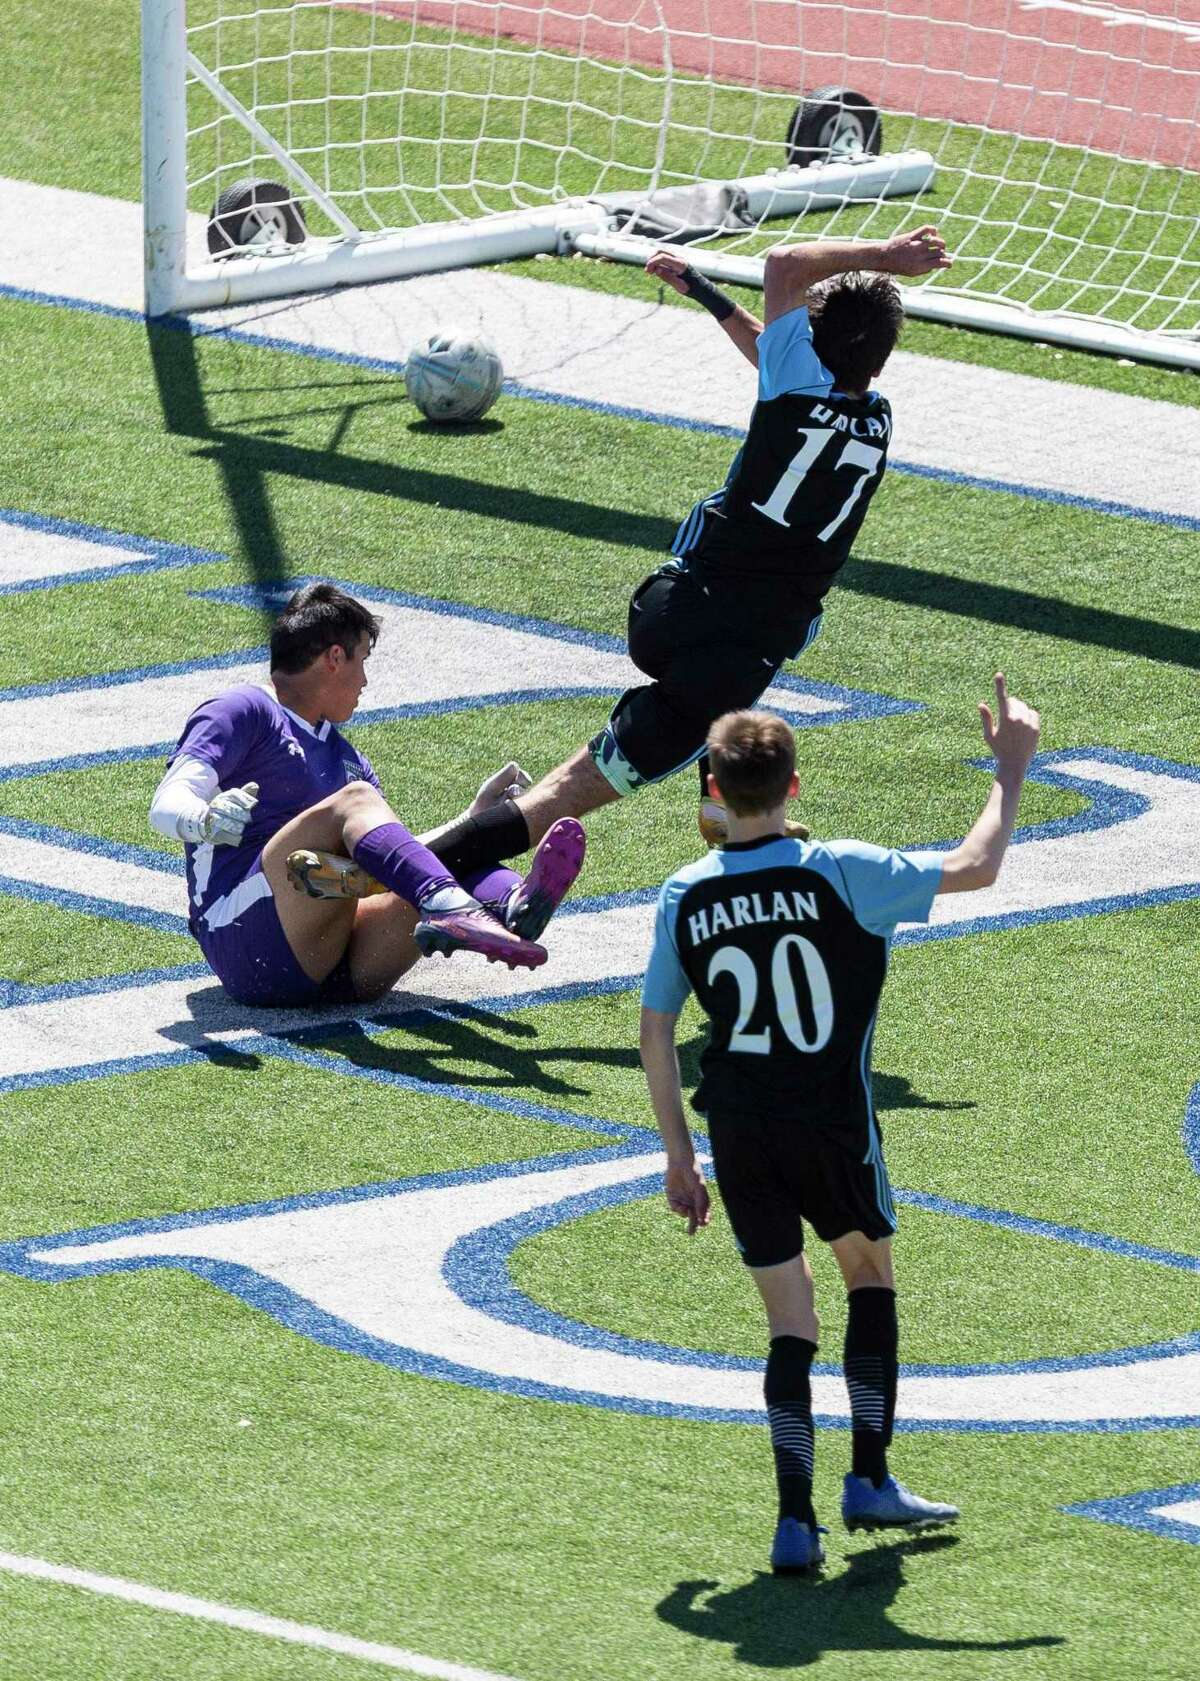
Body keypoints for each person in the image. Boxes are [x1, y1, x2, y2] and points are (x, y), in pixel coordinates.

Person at [401, 227, 953, 899]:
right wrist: (706, 294)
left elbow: (784, 268)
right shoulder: (879, 419)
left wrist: (884, 256)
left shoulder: (793, 387)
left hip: (668, 610)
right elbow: (781, 356)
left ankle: (420, 871)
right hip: (737, 659)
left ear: (807, 340)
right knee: (564, 793)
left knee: (689, 717)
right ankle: (723, 803)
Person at [638, 676, 1041, 1573]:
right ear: (794, 786)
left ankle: (793, 1523)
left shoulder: (684, 895)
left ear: (709, 785)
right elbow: (977, 864)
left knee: (789, 1321)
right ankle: (867, 1478)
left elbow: (656, 1031)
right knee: (867, 1275)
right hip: (830, 1122)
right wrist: (1009, 768)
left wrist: (678, 1154)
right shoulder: (842, 869)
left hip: (739, 1133)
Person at [148, 582, 586, 1007]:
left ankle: (515, 906)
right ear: (335, 657)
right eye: (363, 659)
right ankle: (455, 907)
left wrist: (470, 821)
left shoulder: (347, 756)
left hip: (338, 969)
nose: (365, 680)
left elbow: (389, 866)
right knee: (359, 815)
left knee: (445, 859)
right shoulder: (245, 709)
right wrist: (203, 819)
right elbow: (167, 801)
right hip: (243, 941)